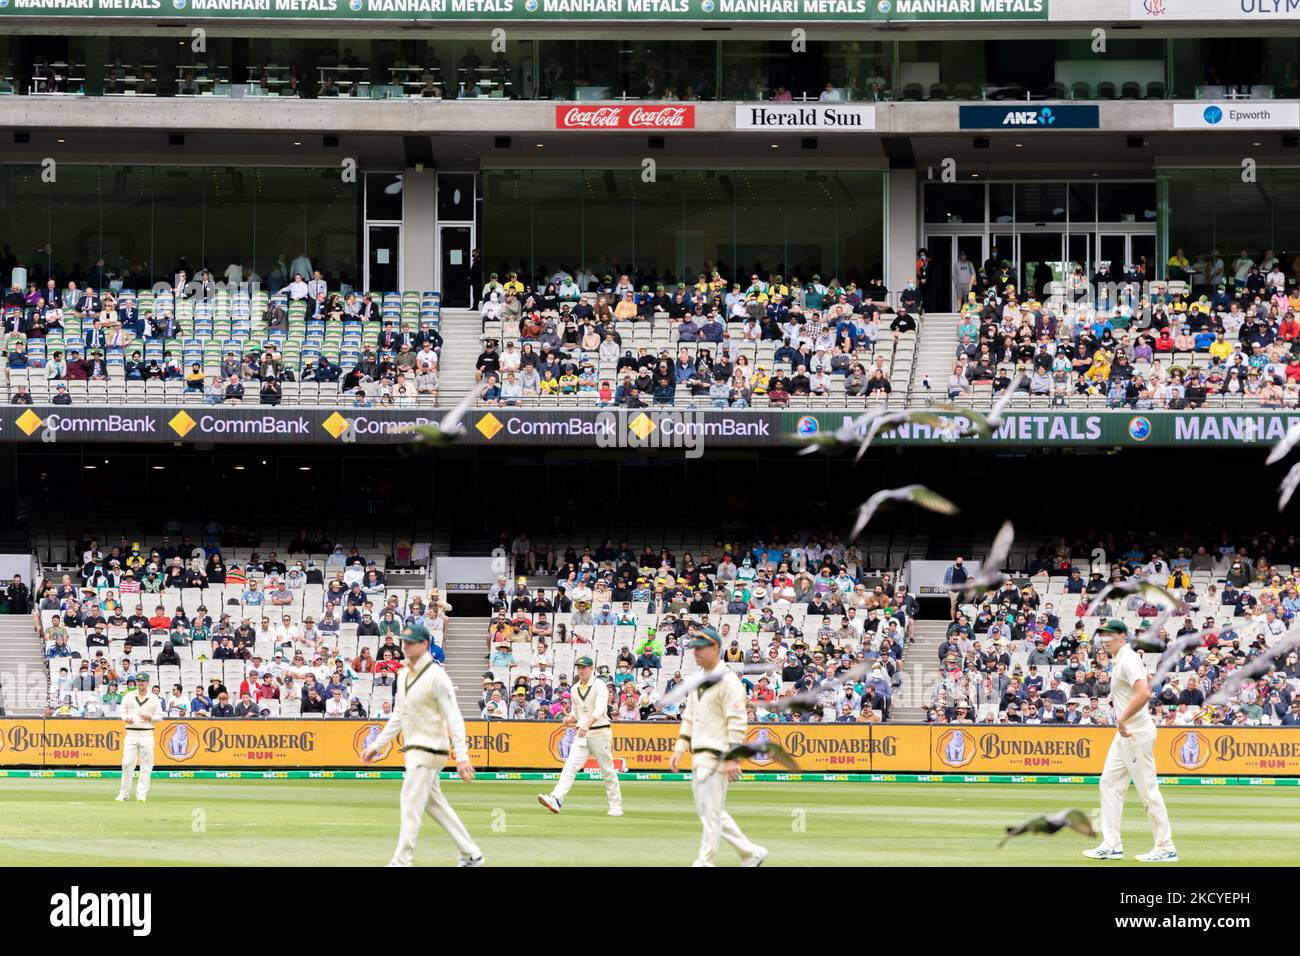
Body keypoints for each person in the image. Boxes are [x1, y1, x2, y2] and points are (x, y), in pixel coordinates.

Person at [362, 622, 484, 867]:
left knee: (409, 800)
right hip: (414, 748)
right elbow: (399, 714)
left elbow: (454, 717)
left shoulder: (437, 677)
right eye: (403, 642)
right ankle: (471, 854)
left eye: (410, 642)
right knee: (434, 804)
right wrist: (377, 745)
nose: (404, 647)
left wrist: (462, 756)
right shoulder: (404, 673)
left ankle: (401, 860)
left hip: (429, 749)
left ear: (425, 644)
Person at [668, 627, 767, 867]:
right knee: (709, 811)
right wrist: (680, 747)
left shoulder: (729, 680)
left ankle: (705, 861)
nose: (695, 653)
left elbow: (737, 720)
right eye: (694, 648)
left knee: (711, 813)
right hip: (699, 753)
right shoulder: (697, 680)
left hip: (718, 753)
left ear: (715, 648)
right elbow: (690, 716)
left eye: (700, 648)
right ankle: (750, 852)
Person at [1083, 619, 1177, 863]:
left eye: (1110, 635)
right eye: (1102, 635)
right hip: (1125, 733)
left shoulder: (1128, 658)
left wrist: (1122, 719)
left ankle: (1165, 847)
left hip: (1135, 733)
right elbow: (1144, 682)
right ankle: (1112, 845)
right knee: (1109, 784)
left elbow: (1145, 692)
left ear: (1122, 637)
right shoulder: (1122, 659)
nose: (1104, 640)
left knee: (1148, 792)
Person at [537, 655, 623, 817]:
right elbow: (576, 712)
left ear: (591, 668)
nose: (581, 670)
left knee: (607, 771)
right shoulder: (575, 688)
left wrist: (586, 724)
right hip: (581, 734)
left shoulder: (599, 685)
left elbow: (600, 709)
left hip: (599, 732)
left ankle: (616, 807)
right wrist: (570, 719)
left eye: (584, 667)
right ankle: (556, 798)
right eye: (579, 667)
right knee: (570, 767)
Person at [116, 673, 163, 802]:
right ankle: (124, 793)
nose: (140, 683)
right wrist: (126, 718)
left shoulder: (154, 698)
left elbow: (160, 716)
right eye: (139, 681)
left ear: (148, 682)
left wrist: (151, 718)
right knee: (127, 763)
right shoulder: (129, 696)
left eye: (143, 681)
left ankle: (141, 793)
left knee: (146, 764)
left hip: (147, 733)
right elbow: (122, 712)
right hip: (131, 733)